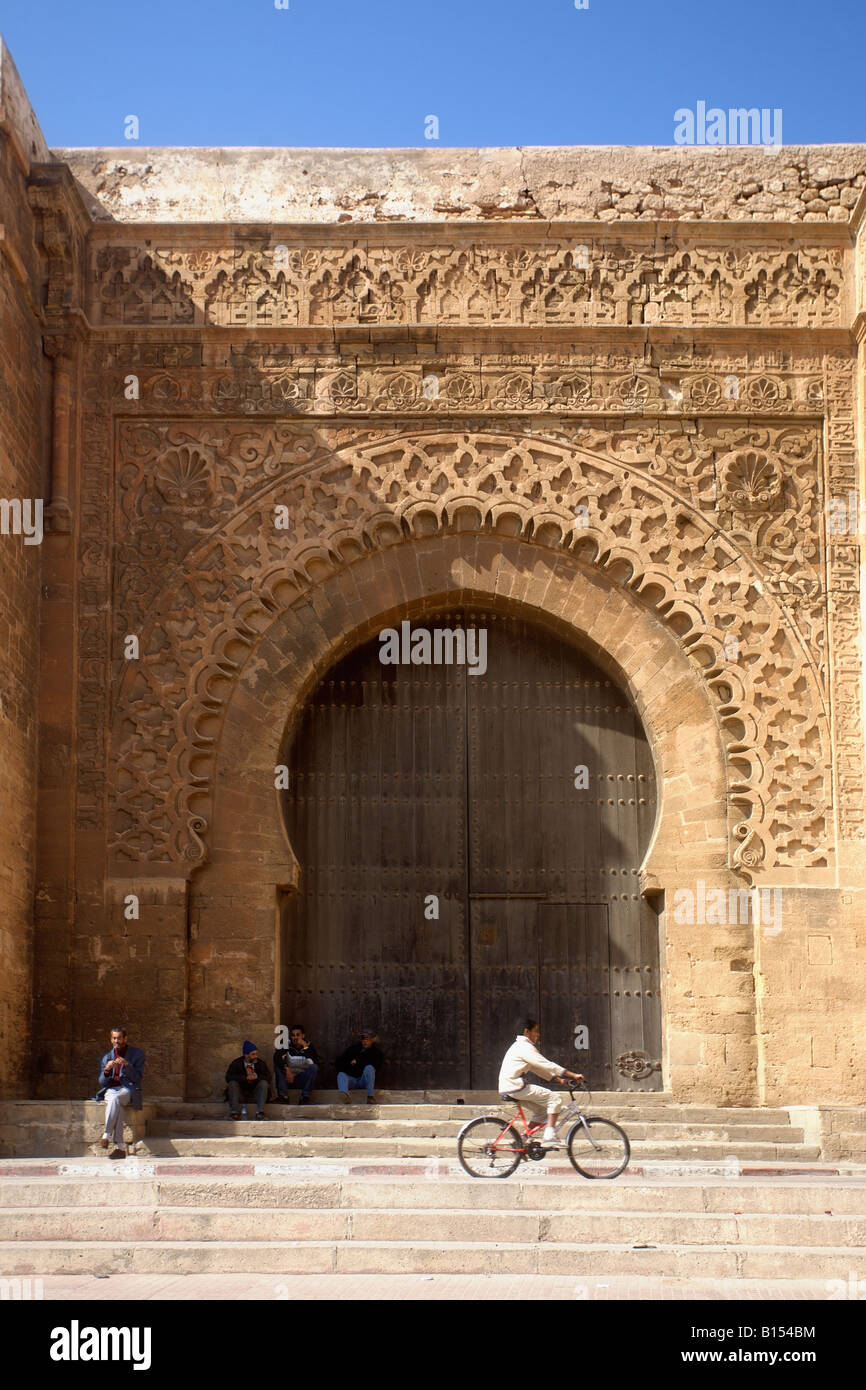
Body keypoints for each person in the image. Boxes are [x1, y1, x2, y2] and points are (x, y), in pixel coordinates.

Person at [497, 1018, 583, 1148]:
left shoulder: (520, 1047)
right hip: (515, 1086)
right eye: (535, 1031)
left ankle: (522, 1140)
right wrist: (573, 1075)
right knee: (554, 1099)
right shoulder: (524, 1047)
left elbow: (537, 1068)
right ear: (527, 1031)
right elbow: (546, 1065)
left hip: (510, 1087)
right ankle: (549, 1137)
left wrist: (560, 1080)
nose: (538, 1034)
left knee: (542, 1111)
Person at [94, 1026, 145, 1160]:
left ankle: (106, 1134)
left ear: (125, 1039)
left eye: (119, 1038)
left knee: (116, 1098)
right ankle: (120, 1147)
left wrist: (127, 1065)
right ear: (111, 1040)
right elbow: (102, 1082)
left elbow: (137, 1078)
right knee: (116, 1102)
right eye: (114, 1038)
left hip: (127, 1089)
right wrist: (106, 1070)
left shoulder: (137, 1054)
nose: (117, 1041)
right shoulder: (105, 1057)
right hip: (111, 1089)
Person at [273, 1024, 320, 1105]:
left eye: (298, 1035)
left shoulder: (309, 1047)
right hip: (288, 1079)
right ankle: (283, 1097)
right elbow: (277, 1057)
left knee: (314, 1067)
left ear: (303, 1036)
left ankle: (305, 1097)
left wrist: (305, 1047)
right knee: (277, 1065)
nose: (295, 1037)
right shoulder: (286, 1045)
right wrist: (287, 1069)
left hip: (301, 1079)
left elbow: (314, 1061)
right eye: (293, 1035)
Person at [335, 1029, 384, 1104]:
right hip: (352, 1080)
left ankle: (370, 1097)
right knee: (341, 1074)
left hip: (364, 1081)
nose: (365, 1041)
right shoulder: (352, 1049)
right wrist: (349, 1063)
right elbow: (340, 1062)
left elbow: (376, 1066)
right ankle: (345, 1096)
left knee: (369, 1068)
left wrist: (358, 1062)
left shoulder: (377, 1053)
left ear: (372, 1040)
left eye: (367, 1039)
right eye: (363, 1039)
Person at [225, 1041, 271, 1119]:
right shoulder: (236, 1063)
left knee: (263, 1083)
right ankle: (234, 1113)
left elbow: (268, 1077)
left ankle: (260, 1112)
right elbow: (228, 1077)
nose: (256, 1056)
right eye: (253, 1054)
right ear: (246, 1055)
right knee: (232, 1083)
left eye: (256, 1054)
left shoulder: (260, 1063)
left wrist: (257, 1078)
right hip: (240, 1095)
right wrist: (245, 1078)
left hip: (256, 1095)